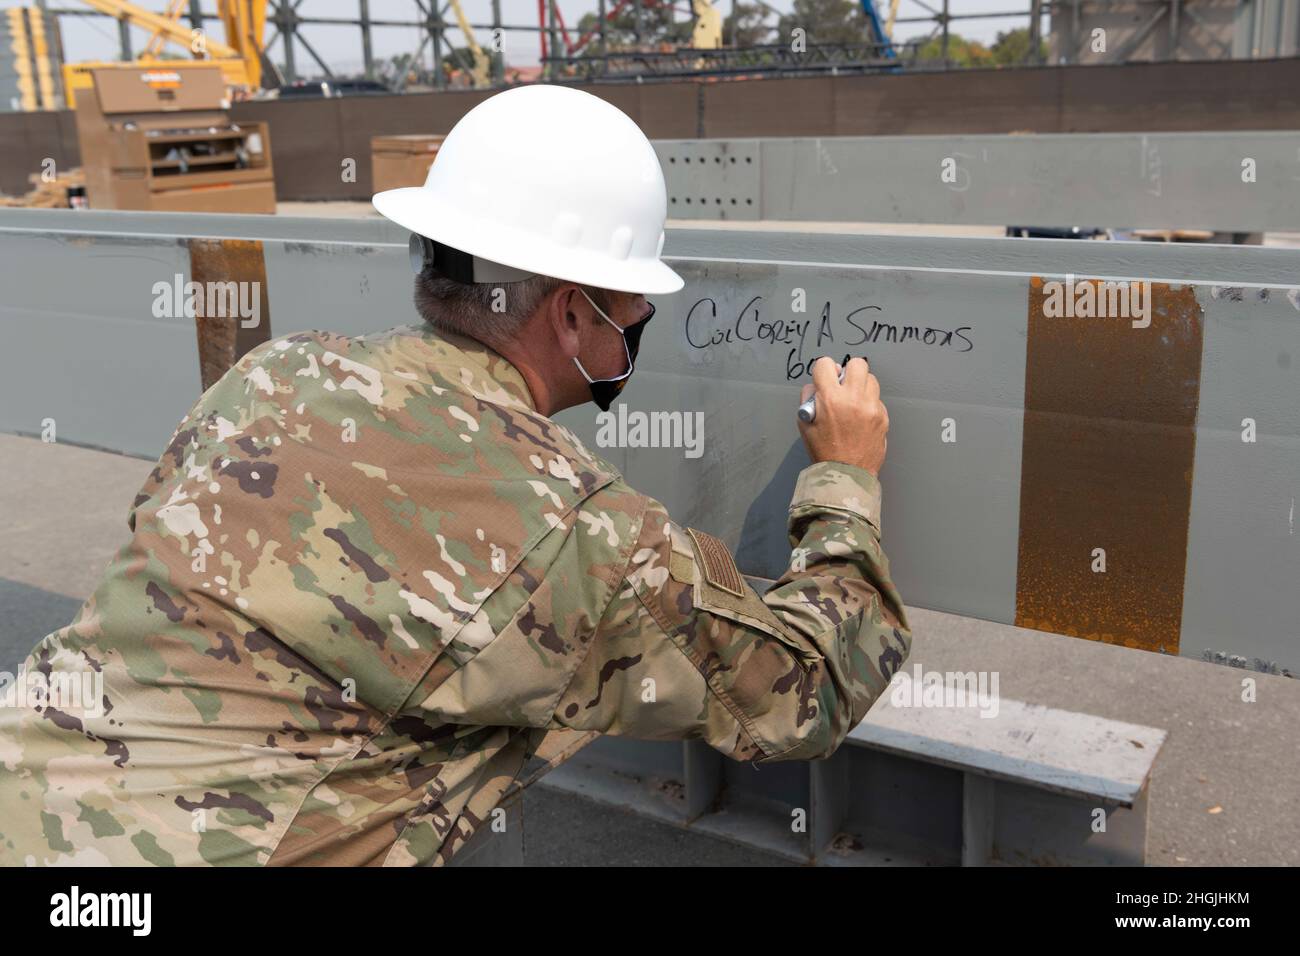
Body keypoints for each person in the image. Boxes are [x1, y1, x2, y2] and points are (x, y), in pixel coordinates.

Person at [0, 85, 909, 866]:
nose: (639, 319)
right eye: (634, 302)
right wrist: (845, 481)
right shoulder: (574, 532)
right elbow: (807, 691)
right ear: (570, 315)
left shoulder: (275, 374)